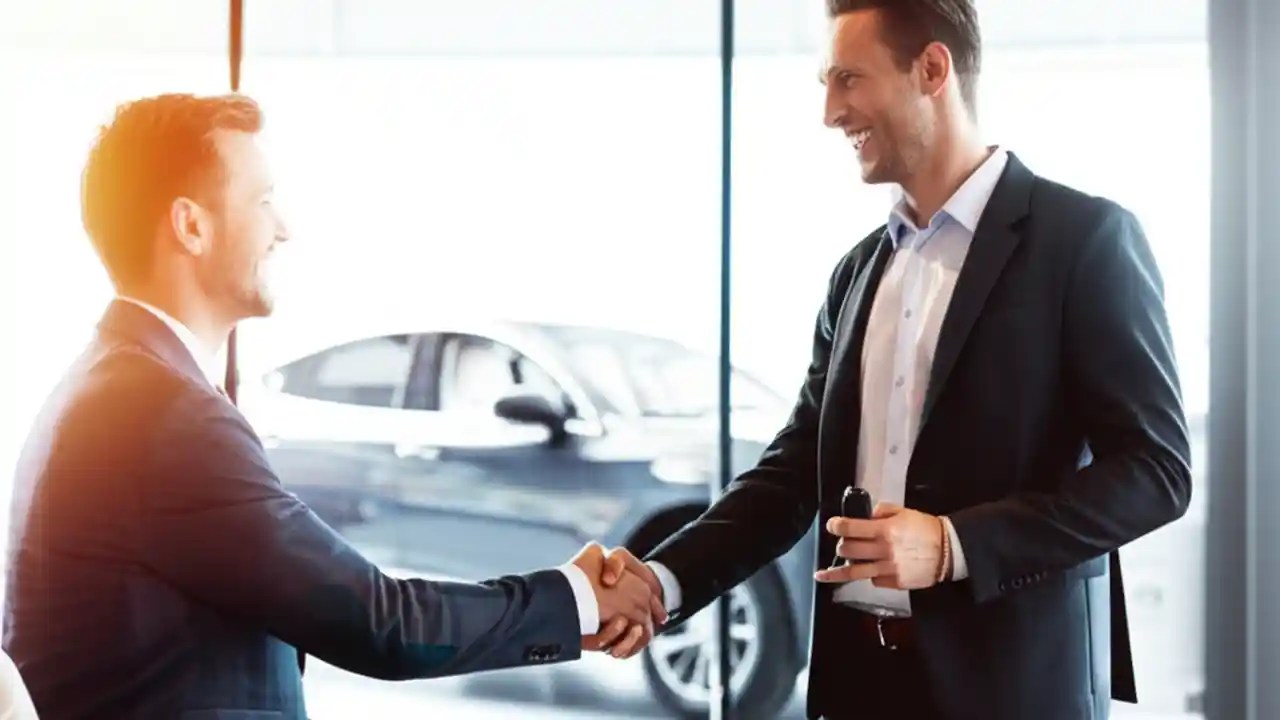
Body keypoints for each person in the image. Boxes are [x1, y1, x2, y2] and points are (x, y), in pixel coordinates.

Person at [593, 1, 1192, 718]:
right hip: (856, 689)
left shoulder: (1083, 240)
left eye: (849, 79)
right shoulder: (857, 274)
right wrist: (663, 581)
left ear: (932, 69)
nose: (829, 113)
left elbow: (1156, 473)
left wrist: (951, 545)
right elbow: (791, 477)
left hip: (1013, 693)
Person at [1, 92, 662, 719]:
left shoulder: (116, 385)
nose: (282, 230)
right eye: (262, 201)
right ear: (191, 225)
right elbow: (381, 623)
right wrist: (575, 599)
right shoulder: (160, 413)